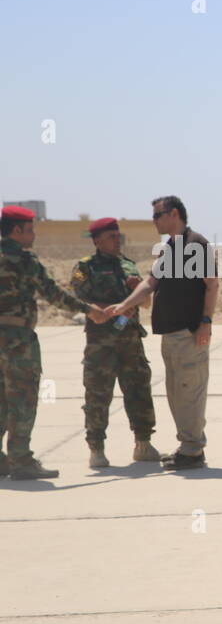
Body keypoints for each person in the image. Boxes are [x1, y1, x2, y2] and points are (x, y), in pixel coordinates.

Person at [107, 195, 218, 470]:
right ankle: (187, 446)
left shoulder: (196, 244)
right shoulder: (169, 248)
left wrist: (206, 322)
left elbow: (212, 285)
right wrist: (125, 305)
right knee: (177, 393)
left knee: (190, 392)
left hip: (189, 332)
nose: (154, 220)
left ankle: (193, 451)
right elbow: (150, 282)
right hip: (171, 333)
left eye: (158, 215)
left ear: (174, 214)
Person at [0, 204, 108, 480]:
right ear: (16, 231)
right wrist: (88, 309)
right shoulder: (25, 261)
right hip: (18, 342)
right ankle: (21, 460)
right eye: (29, 230)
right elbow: (53, 294)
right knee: (22, 399)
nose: (33, 235)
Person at [69, 218, 161, 467]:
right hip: (101, 343)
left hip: (130, 340)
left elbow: (145, 303)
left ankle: (143, 443)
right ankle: (96, 448)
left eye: (118, 235)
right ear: (97, 241)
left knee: (139, 390)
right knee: (98, 394)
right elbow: (77, 300)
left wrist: (137, 293)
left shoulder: (129, 266)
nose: (117, 240)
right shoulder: (85, 267)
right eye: (111, 236)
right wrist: (111, 311)